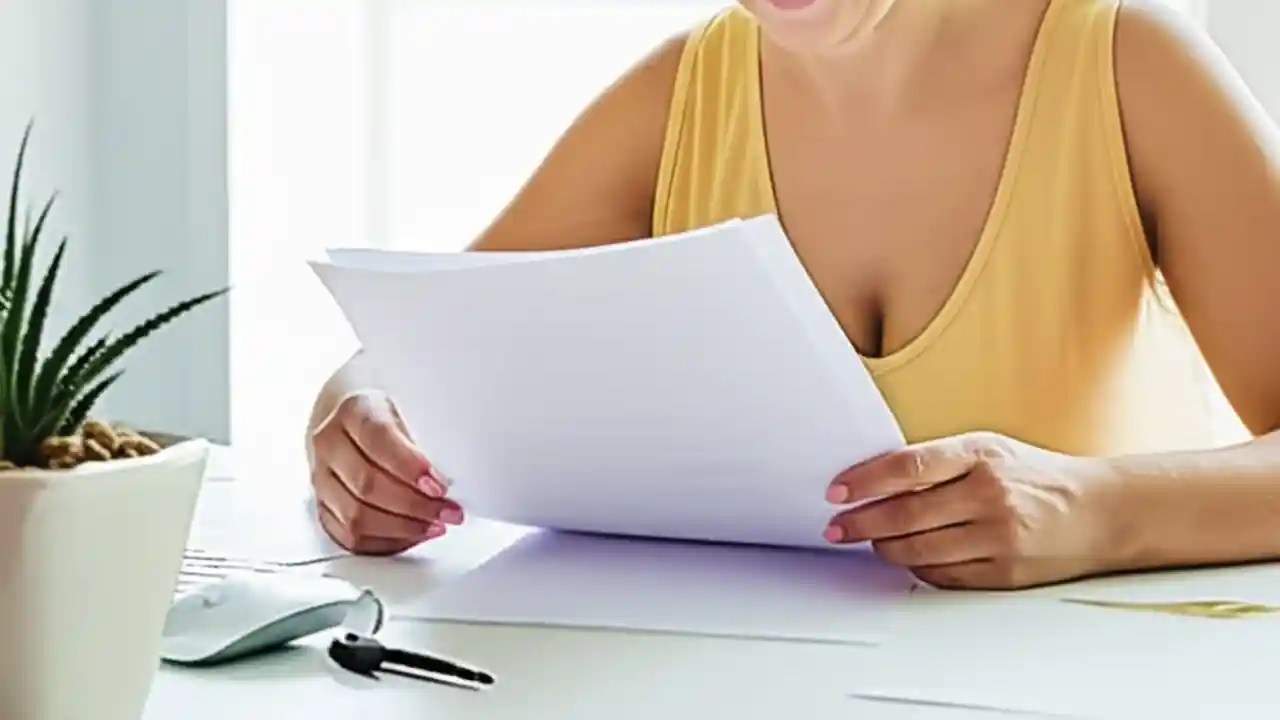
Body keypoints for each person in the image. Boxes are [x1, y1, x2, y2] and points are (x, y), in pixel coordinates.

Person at [305, 0, 1280, 590]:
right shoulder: (680, 90)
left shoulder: (1125, 62)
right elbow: (411, 344)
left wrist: (1093, 509)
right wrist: (362, 431)